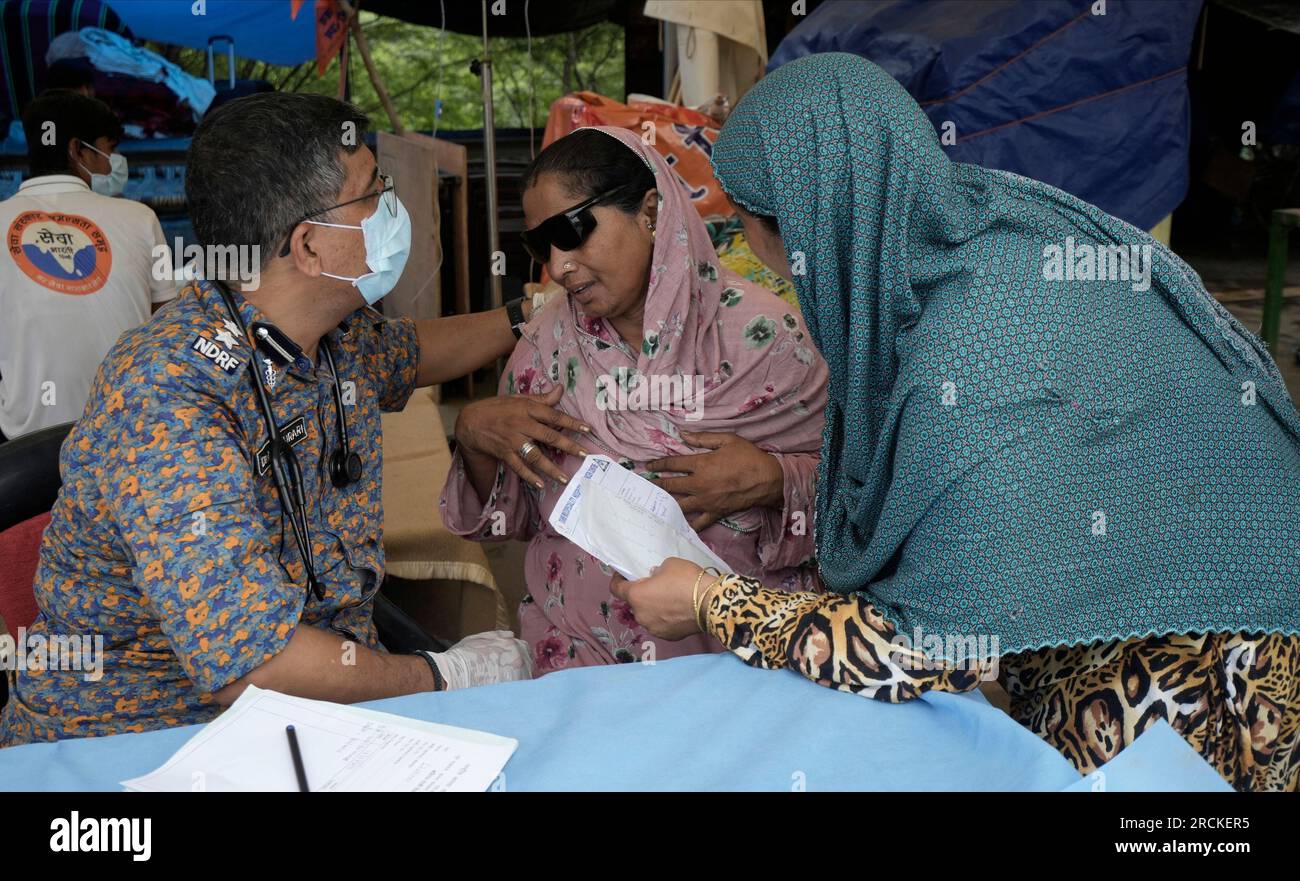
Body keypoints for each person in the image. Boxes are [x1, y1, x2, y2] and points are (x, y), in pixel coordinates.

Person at [612, 53, 1300, 791]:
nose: (765, 265)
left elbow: (923, 648)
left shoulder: (968, 364)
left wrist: (710, 602)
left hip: (1201, 664)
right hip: (1175, 589)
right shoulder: (981, 225)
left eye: (751, 230)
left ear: (804, 228)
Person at [0, 92, 580, 745]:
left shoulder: (328, 333)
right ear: (307, 245)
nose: (392, 205)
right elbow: (249, 661)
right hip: (147, 736)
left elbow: (418, 351)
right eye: (372, 192)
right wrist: (442, 676)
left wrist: (529, 313)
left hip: (301, 704)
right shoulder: (169, 395)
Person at [443, 127, 828, 672]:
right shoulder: (546, 345)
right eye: (538, 246)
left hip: (736, 668)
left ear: (650, 212)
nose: (557, 266)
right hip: (577, 666)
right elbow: (513, 516)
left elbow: (862, 502)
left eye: (572, 232)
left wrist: (773, 479)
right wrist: (477, 438)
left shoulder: (767, 341)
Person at [0, 91, 175, 441]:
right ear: (77, 150)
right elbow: (168, 326)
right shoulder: (139, 218)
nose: (112, 166)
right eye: (107, 151)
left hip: (21, 446)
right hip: (126, 436)